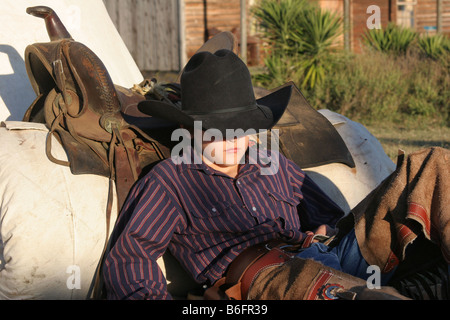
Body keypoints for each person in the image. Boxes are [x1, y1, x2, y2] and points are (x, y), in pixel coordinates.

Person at [102, 49, 449, 300]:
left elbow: (328, 217)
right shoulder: (171, 181)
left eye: (245, 127)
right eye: (219, 129)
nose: (236, 139)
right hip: (269, 280)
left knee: (434, 163)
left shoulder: (272, 162)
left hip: (327, 256)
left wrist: (326, 231)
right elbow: (130, 255)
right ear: (189, 129)